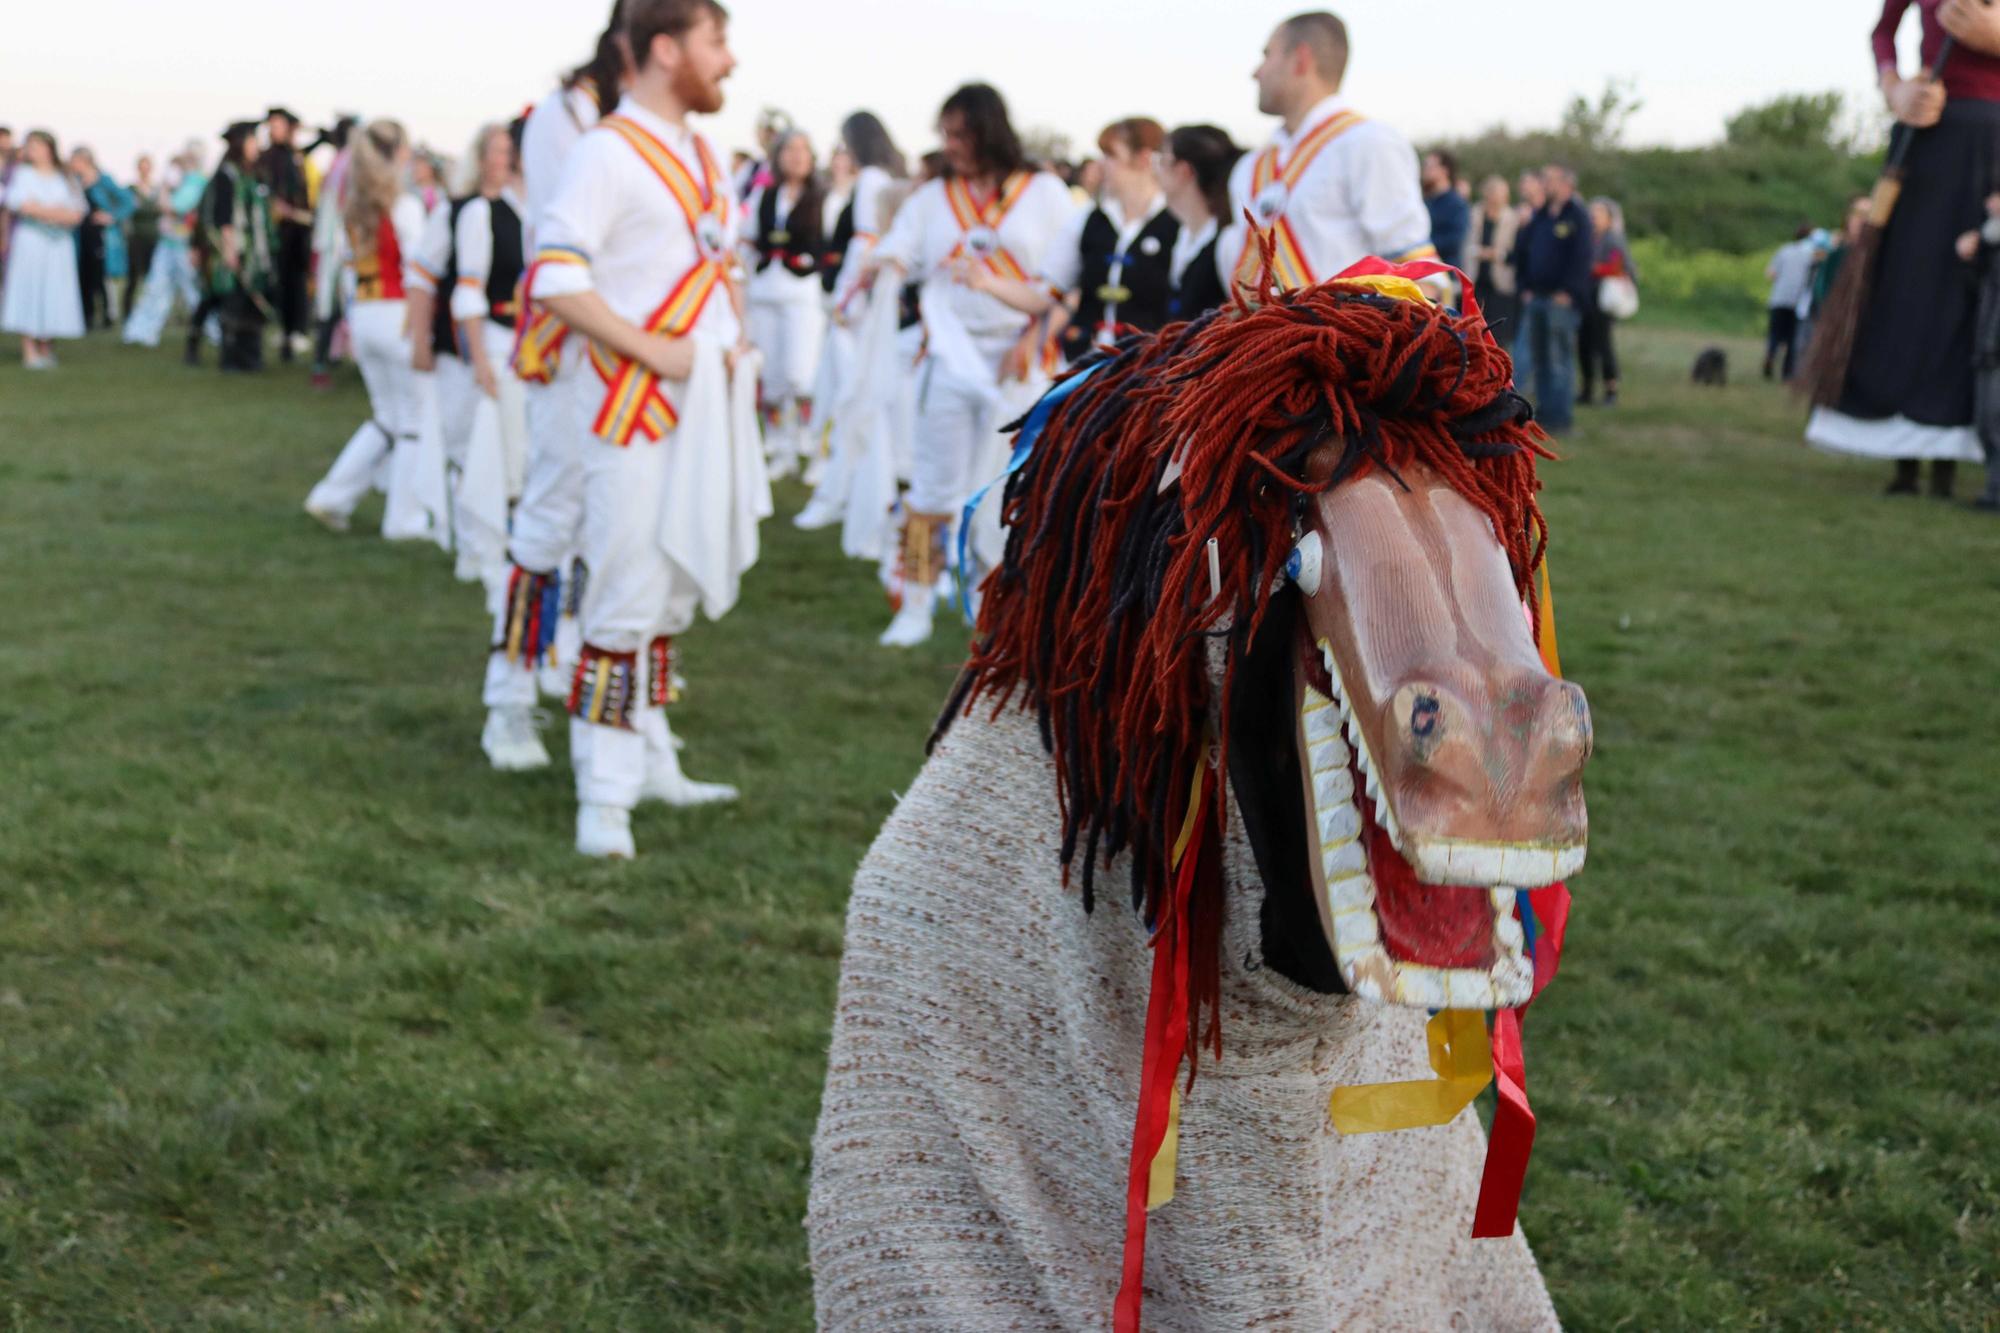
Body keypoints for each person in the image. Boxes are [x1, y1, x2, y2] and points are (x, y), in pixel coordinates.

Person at [528, 0, 757, 857]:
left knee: (666, 591)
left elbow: (715, 266)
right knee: (622, 594)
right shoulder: (605, 151)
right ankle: (604, 799)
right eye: (716, 41)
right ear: (666, 49)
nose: (728, 60)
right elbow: (553, 272)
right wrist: (653, 352)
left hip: (704, 412)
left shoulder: (705, 154)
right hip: (633, 411)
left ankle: (654, 759)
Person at [861, 82, 1076, 648]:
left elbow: (1067, 282)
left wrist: (1034, 338)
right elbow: (900, 249)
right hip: (952, 360)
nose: (950, 145)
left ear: (989, 131)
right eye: (945, 133)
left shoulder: (1045, 192)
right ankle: (914, 604)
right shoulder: (933, 197)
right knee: (932, 484)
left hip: (1019, 360)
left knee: (1007, 489)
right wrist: (877, 266)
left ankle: (990, 603)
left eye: (961, 133)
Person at [478, 1, 631, 775]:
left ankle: (606, 717)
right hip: (576, 350)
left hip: (632, 361)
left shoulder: (630, 123)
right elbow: (563, 246)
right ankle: (507, 700)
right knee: (547, 525)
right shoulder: (564, 120)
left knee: (609, 538)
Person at [1807, 0, 2000, 499]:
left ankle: (1957, 463)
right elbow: (1883, 33)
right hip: (1927, 134)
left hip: (1992, 140)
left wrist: (1994, 35)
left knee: (1975, 291)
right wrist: (1895, 89)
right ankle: (1906, 458)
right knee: (1908, 284)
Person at [1221, 12, 1436, 298]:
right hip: (1261, 341)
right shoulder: (1249, 166)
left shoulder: (1368, 143)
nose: (1256, 72)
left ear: (1301, 60)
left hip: (1350, 341)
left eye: (1267, 55)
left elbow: (1419, 277)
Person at [302, 120, 433, 537]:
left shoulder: (354, 206)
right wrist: (421, 327)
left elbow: (344, 271)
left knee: (385, 417)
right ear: (395, 154)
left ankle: (331, 496)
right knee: (412, 420)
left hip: (365, 314)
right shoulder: (404, 205)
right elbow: (419, 269)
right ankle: (405, 518)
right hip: (397, 314)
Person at [444, 121, 531, 583]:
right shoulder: (480, 212)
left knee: (519, 447)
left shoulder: (524, 210)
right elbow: (469, 290)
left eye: (509, 151)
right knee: (492, 446)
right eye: (497, 151)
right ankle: (483, 544)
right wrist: (478, 357)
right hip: (496, 343)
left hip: (524, 343)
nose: (505, 159)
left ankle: (509, 541)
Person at [745, 128, 827, 479]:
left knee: (801, 374)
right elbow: (748, 237)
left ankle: (809, 441)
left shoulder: (822, 198)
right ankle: (781, 445)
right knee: (773, 374)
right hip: (764, 290)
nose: (795, 156)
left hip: (801, 294)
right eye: (789, 149)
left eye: (802, 150)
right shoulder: (765, 195)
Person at [1513, 163, 1593, 435]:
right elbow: (1523, 248)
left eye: (1550, 179)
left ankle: (1561, 418)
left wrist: (1568, 292)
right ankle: (1545, 415)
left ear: (1567, 184)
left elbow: (1582, 258)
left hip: (1561, 301)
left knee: (1559, 359)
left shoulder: (1578, 217)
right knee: (1541, 358)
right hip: (1536, 296)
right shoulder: (1542, 216)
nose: (1544, 183)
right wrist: (1524, 284)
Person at [191, 120, 275, 371]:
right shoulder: (226, 175)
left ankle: (250, 355)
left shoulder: (255, 174)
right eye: (252, 141)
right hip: (231, 248)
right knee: (228, 301)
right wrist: (229, 250)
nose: (256, 146)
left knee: (250, 302)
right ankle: (229, 357)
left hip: (255, 251)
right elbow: (223, 215)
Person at [1, 130, 87, 368]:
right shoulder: (22, 174)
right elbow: (20, 205)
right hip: (30, 242)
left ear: (49, 148)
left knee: (55, 291)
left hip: (59, 244)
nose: (31, 151)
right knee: (28, 289)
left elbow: (77, 211)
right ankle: (29, 349)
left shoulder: (65, 176)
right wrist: (56, 212)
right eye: (29, 146)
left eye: (36, 146)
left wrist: (46, 211)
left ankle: (46, 346)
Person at [123, 143, 209, 347]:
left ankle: (213, 330)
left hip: (185, 245)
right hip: (170, 242)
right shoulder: (185, 182)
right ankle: (141, 332)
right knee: (157, 287)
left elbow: (172, 207)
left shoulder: (196, 183)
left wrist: (165, 190)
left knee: (193, 291)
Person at [1157, 123, 1240, 322]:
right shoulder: (1184, 233)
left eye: (1163, 160)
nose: (1156, 171)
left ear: (1184, 171)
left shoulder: (1229, 240)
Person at [261, 107, 315, 362]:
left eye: (279, 124)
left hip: (300, 229)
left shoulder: (296, 156)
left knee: (298, 280)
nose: (274, 129)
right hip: (281, 229)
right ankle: (286, 331)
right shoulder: (268, 157)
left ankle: (297, 330)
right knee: (282, 281)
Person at [1960, 190, 2000, 509]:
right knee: (1986, 423)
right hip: (1987, 345)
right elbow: (1979, 288)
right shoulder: (1991, 245)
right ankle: (1993, 491)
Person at [1579, 196, 1631, 407]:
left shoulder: (1614, 240)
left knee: (1603, 345)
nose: (1593, 218)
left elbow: (1617, 266)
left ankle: (1611, 389)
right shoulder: (1588, 238)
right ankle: (1587, 389)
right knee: (1584, 344)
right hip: (1587, 297)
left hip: (1604, 299)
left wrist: (1593, 268)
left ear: (1609, 218)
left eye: (1598, 214)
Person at [1466, 174, 1521, 336]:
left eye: (1502, 194)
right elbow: (1464, 245)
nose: (1498, 199)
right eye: (1494, 193)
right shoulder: (1473, 215)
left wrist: (1496, 254)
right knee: (1474, 332)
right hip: (1475, 282)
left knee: (1499, 336)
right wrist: (1476, 251)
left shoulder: (1513, 219)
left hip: (1501, 286)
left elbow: (1516, 253)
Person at [1763, 223, 1816, 381]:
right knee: (1792, 339)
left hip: (1778, 299)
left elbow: (1770, 274)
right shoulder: (1811, 255)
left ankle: (1771, 354)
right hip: (1798, 303)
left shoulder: (1784, 250)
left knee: (1774, 334)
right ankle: (1787, 374)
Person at [125, 154, 166, 315]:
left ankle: (151, 310)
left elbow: (159, 209)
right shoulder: (131, 189)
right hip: (136, 237)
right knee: (133, 276)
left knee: (152, 276)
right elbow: (133, 209)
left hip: (154, 237)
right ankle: (128, 310)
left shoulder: (157, 189)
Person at [1421, 148, 1469, 270]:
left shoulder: (1457, 204)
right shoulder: (1424, 201)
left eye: (1430, 166)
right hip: (1424, 273)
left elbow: (1454, 240)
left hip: (1446, 276)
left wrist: (1422, 246)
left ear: (1444, 170)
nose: (1425, 170)